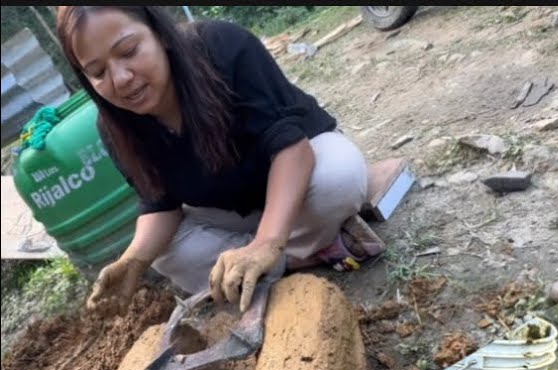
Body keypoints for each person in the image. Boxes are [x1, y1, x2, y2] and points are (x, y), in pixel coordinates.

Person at [56, 6, 385, 315]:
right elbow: (160, 205)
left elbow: (291, 148)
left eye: (128, 51)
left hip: (298, 180)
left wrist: (268, 240)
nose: (121, 78)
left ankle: (272, 254)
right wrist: (133, 261)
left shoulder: (222, 46)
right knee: (165, 255)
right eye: (97, 72)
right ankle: (303, 253)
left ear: (159, 33)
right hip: (232, 213)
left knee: (337, 179)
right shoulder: (115, 129)